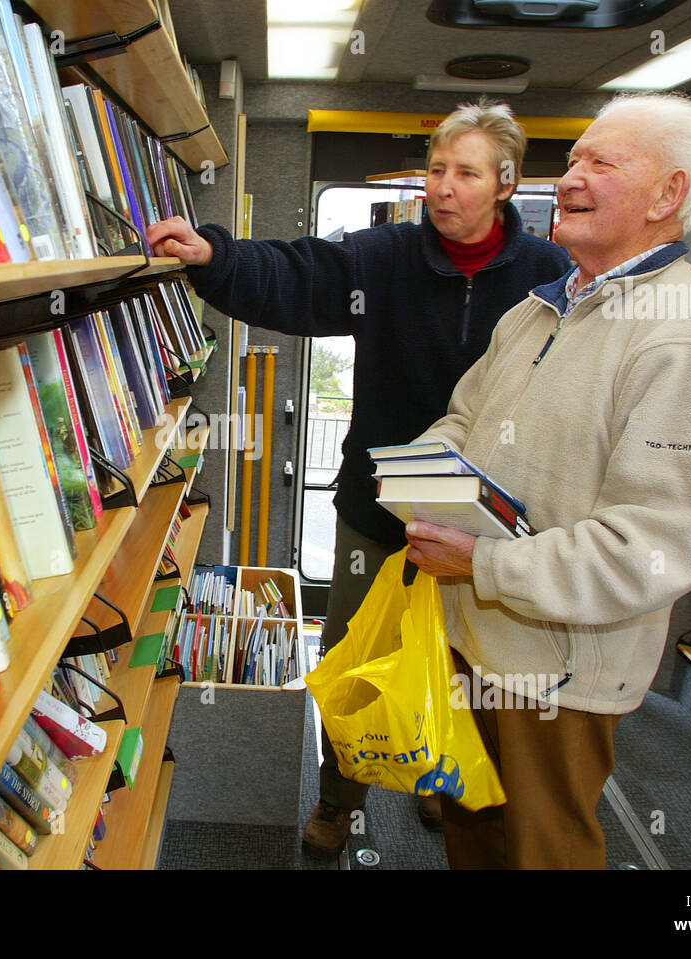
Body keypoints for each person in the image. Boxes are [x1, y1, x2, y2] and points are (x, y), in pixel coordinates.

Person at [145, 100, 570, 858]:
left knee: (464, 668)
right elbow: (301, 275)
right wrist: (216, 258)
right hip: (378, 513)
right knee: (355, 661)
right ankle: (338, 803)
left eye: (465, 172)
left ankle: (443, 780)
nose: (443, 186)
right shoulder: (385, 256)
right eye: (436, 168)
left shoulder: (549, 275)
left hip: (484, 526)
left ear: (503, 184)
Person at [401, 92, 691, 868]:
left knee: (543, 851)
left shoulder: (686, 338)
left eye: (602, 162)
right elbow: (464, 418)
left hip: (555, 674)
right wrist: (422, 474)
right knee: (474, 836)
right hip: (472, 638)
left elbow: (659, 545)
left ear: (670, 195)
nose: (569, 178)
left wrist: (485, 562)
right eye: (572, 160)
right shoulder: (539, 310)